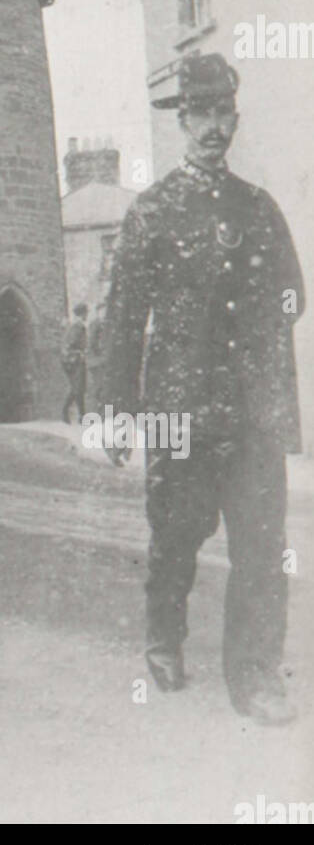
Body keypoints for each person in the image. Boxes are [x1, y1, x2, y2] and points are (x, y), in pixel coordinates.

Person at [101, 53, 304, 725]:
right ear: (182, 120)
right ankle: (164, 639)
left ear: (234, 119)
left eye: (223, 114)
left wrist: (251, 341)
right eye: (201, 114)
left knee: (261, 545)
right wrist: (115, 414)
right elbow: (124, 321)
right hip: (176, 409)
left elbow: (293, 297)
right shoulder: (152, 211)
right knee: (175, 535)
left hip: (249, 410)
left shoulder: (258, 208)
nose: (213, 127)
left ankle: (256, 678)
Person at [60, 303, 88, 423]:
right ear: (82, 313)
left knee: (77, 388)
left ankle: (80, 415)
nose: (87, 315)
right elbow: (71, 344)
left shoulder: (74, 326)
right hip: (75, 361)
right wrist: (79, 353)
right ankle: (69, 412)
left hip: (73, 360)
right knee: (78, 387)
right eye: (86, 312)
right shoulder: (78, 327)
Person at [85, 301, 107, 413]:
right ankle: (95, 412)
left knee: (101, 386)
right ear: (98, 312)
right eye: (102, 311)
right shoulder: (95, 324)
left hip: (100, 360)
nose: (104, 313)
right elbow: (92, 342)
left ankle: (100, 411)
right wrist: (101, 353)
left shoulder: (103, 323)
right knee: (98, 387)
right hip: (96, 360)